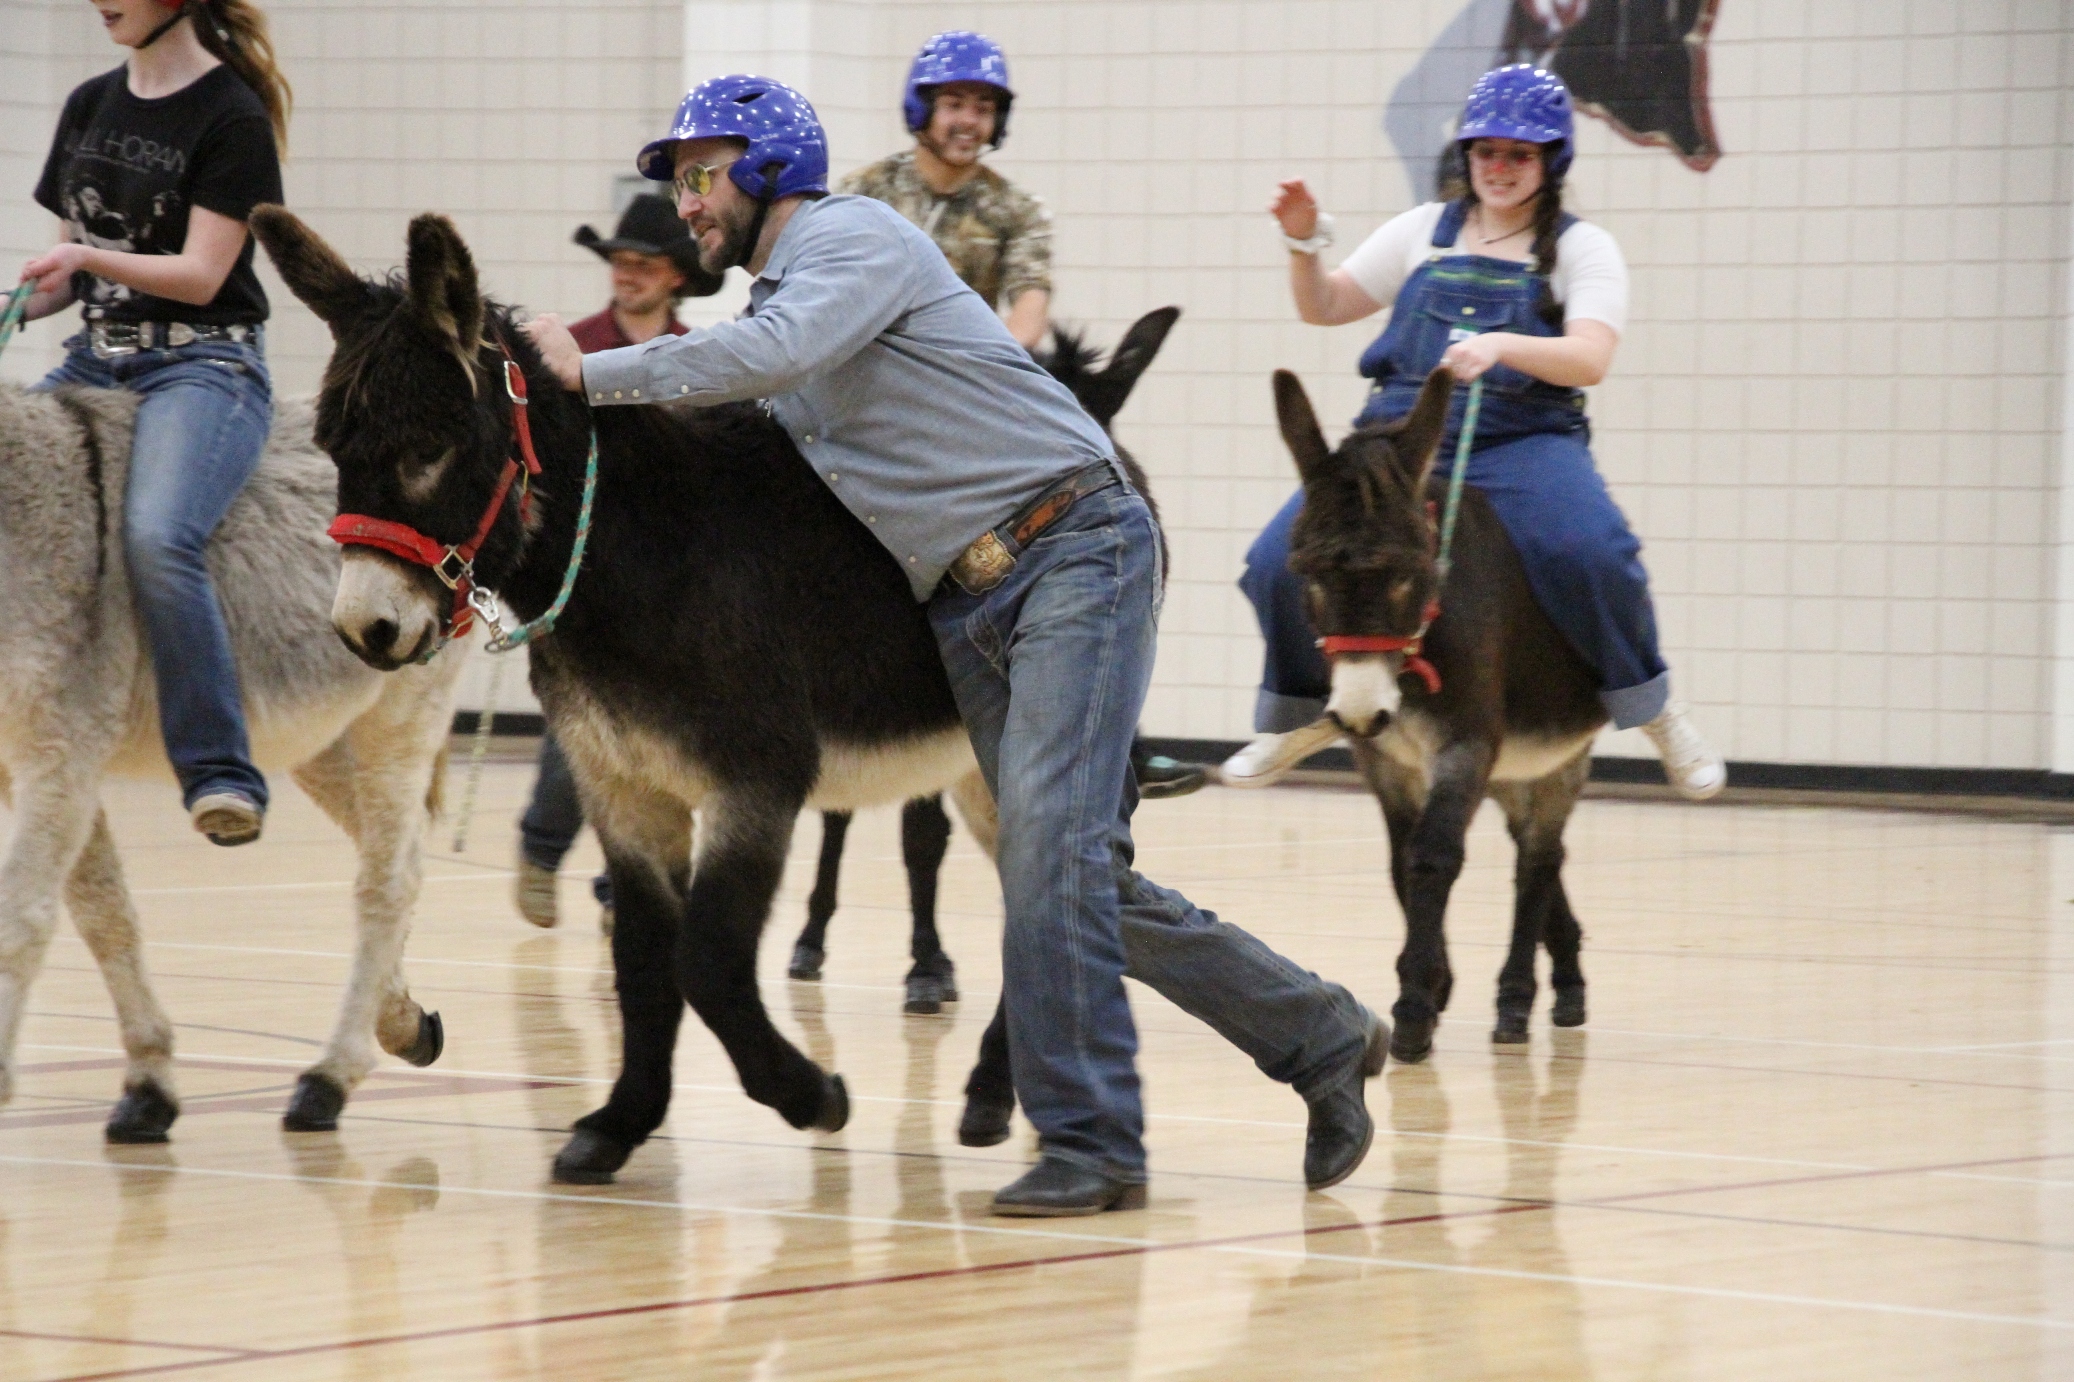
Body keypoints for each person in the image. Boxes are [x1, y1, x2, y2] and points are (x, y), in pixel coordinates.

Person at [523, 75, 1385, 1216]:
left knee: (1056, 865)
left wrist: (585, 370)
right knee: (1073, 876)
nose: (682, 204)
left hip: (1075, 545)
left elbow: (765, 352)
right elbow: (751, 397)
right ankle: (1321, 1031)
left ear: (770, 160)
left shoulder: (851, 236)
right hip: (966, 594)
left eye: (697, 173)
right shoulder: (797, 296)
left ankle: (1094, 1143)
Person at [1223, 64, 1726, 800]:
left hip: (1523, 438)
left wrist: (1503, 347)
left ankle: (1653, 710)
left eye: (1519, 154)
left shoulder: (1583, 250)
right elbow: (1325, 307)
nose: (1499, 167)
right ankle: (1299, 712)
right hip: (1397, 445)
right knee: (1274, 560)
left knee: (1595, 553)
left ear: (1551, 161)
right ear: (1466, 155)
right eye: (1486, 151)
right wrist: (1304, 246)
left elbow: (1589, 358)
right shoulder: (1423, 231)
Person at [844, 31, 1204, 800]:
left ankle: (1118, 736)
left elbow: (1030, 313)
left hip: (970, 396)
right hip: (866, 397)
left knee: (1098, 490)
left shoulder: (1016, 210)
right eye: (954, 103)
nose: (967, 119)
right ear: (923, 108)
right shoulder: (864, 193)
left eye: (982, 106)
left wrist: (978, 368)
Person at [18, 0, 291, 845]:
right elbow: (64, 278)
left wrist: (87, 259)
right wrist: (18, 302)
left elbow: (204, 275)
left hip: (204, 364)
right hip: (98, 353)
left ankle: (219, 770)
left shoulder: (233, 115)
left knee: (157, 534)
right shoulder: (89, 103)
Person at [514, 194, 717, 931]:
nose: (627, 273)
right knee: (587, 730)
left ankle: (620, 892)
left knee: (648, 740)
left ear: (675, 277)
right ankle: (541, 847)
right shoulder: (568, 347)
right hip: (581, 573)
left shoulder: (693, 357)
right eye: (620, 261)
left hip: (661, 582)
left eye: (644, 263)